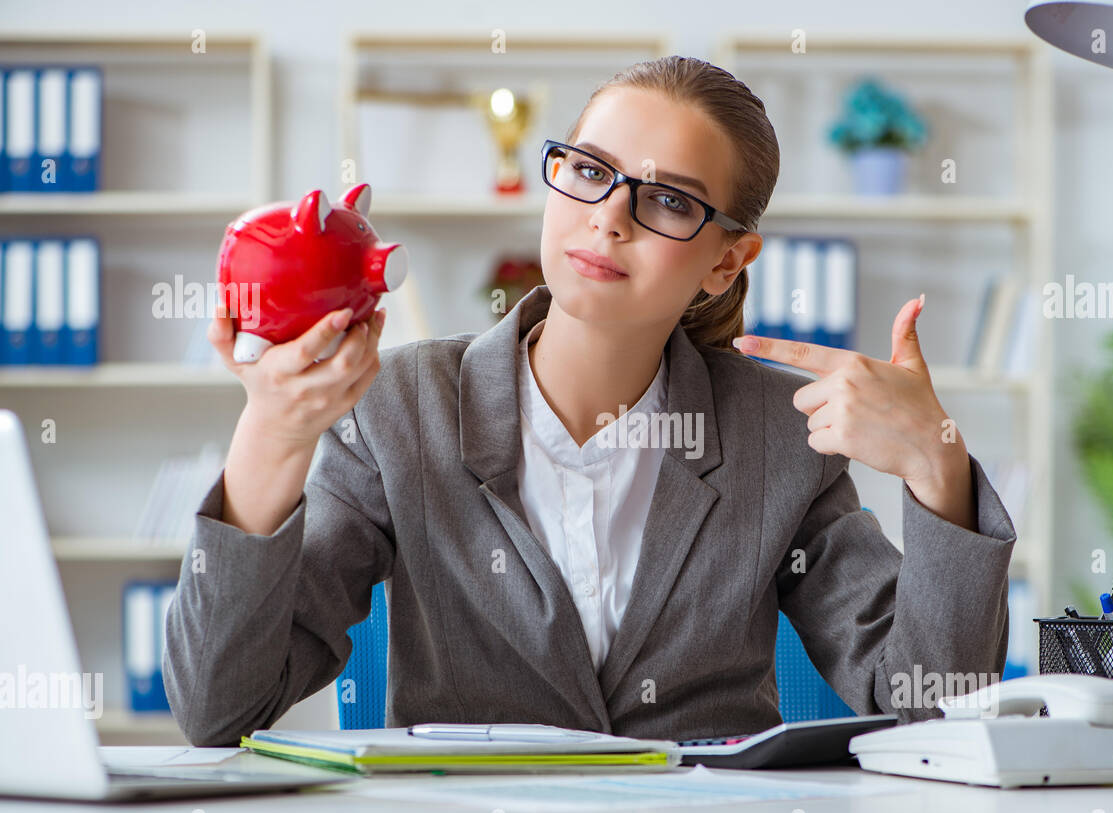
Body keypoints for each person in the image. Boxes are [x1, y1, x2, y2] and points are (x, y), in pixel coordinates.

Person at [164, 56, 1017, 748]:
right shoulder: (403, 407)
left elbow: (934, 716)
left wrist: (936, 463)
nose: (610, 217)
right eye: (588, 170)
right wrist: (271, 436)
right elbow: (217, 709)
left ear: (726, 261)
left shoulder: (779, 435)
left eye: (671, 201)